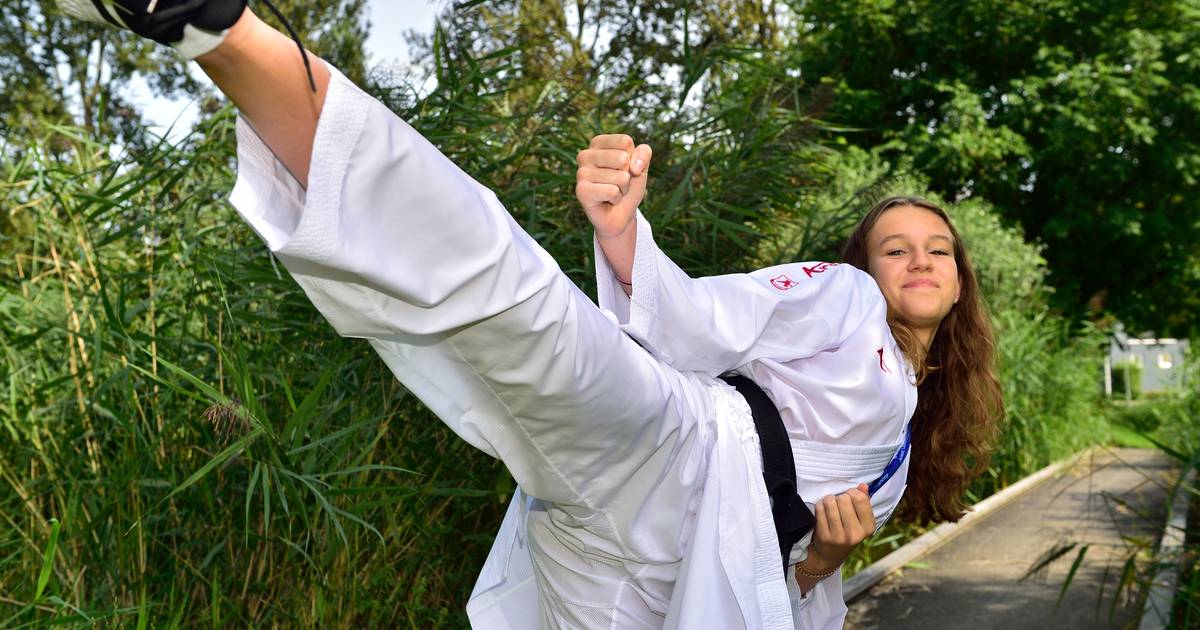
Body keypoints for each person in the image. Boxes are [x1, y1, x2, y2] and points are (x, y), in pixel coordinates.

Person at [55, 2, 1004, 628]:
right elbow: (705, 320)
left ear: (961, 284)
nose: (919, 258)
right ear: (864, 269)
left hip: (673, 577)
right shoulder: (838, 301)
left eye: (938, 250)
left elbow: (796, 587)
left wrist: (824, 559)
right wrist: (624, 232)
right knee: (528, 315)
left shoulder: (906, 444)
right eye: (895, 245)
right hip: (676, 450)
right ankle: (215, 26)